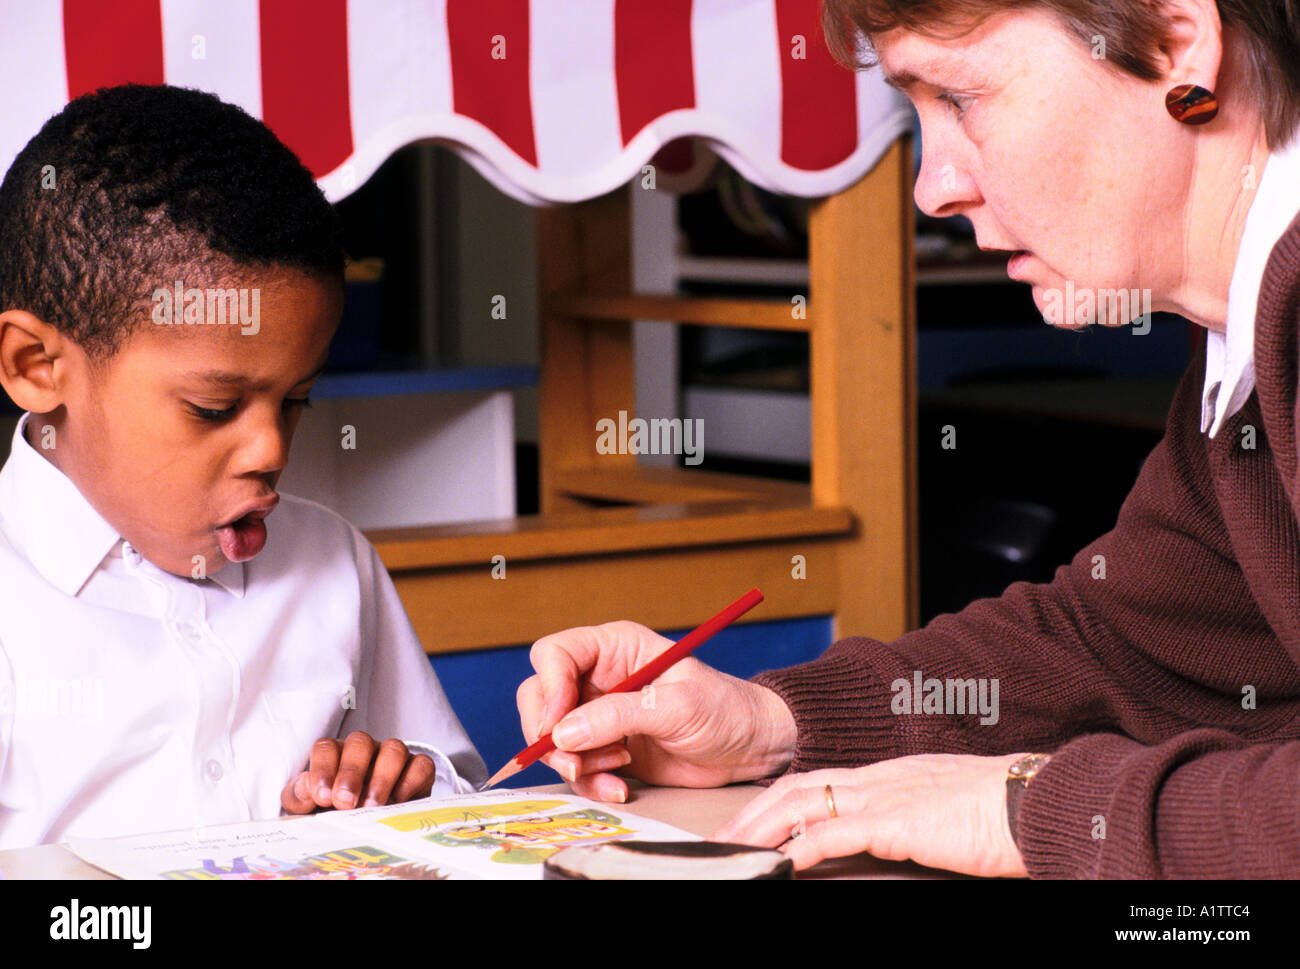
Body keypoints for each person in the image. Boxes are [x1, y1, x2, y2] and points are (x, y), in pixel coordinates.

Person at [517, 0, 1300, 878]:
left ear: (1176, 44)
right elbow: (1124, 644)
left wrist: (1030, 805)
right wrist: (774, 722)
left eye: (959, 99)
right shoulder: (1246, 341)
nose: (932, 189)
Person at [0, 84, 486, 849]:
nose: (273, 452)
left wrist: (399, 782)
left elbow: (452, 789)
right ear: (37, 366)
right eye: (214, 407)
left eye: (297, 399)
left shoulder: (333, 561)